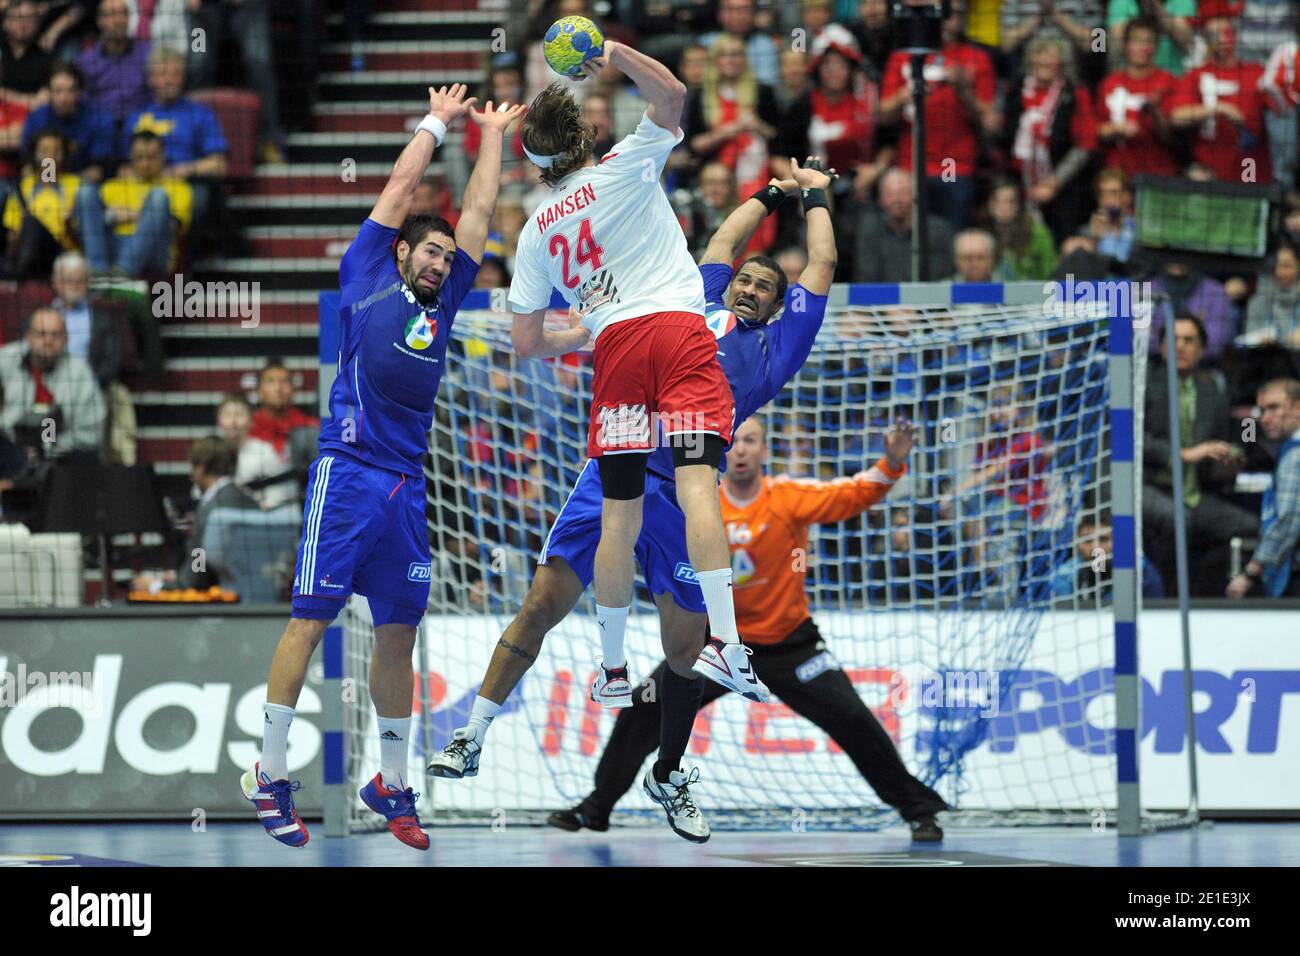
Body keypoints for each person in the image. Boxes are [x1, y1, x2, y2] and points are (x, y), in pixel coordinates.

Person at [429, 155, 839, 843]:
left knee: (684, 652)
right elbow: (718, 243)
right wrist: (771, 192)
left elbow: (821, 264)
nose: (750, 289)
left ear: (776, 303)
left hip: (685, 494)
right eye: (746, 279)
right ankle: (470, 735)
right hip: (613, 473)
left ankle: (670, 773)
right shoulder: (698, 297)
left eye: (766, 287)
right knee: (541, 605)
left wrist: (819, 196)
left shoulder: (780, 343)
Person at [242, 83, 523, 851]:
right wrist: (438, 122)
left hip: (407, 489)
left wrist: (491, 133)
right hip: (348, 474)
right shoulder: (366, 275)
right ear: (401, 251)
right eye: (427, 251)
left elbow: (479, 214)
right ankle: (268, 773)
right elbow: (402, 189)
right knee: (311, 618)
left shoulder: (447, 302)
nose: (439, 259)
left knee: (399, 633)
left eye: (444, 255)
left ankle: (391, 783)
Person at [546, 415, 951, 842]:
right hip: (715, 647)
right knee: (645, 707)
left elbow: (850, 495)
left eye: (751, 441)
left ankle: (919, 811)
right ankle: (596, 807)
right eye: (734, 441)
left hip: (789, 644)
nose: (740, 450)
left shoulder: (789, 496)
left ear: (763, 449)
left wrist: (890, 463)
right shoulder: (695, 500)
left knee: (853, 719)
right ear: (720, 445)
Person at [508, 48, 764, 724]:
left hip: (616, 350)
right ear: (586, 137)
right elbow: (675, 91)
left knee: (618, 515)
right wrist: (608, 53)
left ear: (533, 166)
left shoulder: (536, 231)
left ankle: (614, 668)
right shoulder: (625, 165)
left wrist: (583, 332)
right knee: (694, 488)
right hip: (679, 336)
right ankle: (727, 645)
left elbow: (527, 343)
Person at [1143, 315, 1256, 595]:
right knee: (1177, 519)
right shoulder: (1142, 384)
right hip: (1150, 485)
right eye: (1174, 340)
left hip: (1196, 494)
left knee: (1250, 526)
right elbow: (1132, 439)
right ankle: (1165, 600)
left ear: (1201, 350)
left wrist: (1230, 464)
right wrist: (1182, 454)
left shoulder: (1214, 393)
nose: (1181, 346)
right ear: (1162, 346)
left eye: (1189, 340)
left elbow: (1240, 434)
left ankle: (1212, 593)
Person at [879, 0, 996, 232]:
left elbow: (989, 122)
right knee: (911, 238)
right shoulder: (905, 56)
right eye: (942, 14)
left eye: (954, 14)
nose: (947, 21)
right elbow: (882, 115)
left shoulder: (976, 58)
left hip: (954, 166)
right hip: (912, 165)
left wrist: (964, 90)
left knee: (954, 237)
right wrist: (907, 93)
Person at [130, 436, 259, 594]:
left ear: (201, 468)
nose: (191, 475)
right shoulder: (250, 500)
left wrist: (155, 586)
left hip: (219, 601)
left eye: (192, 466)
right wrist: (182, 574)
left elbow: (197, 575)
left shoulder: (208, 510)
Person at [1167, 8, 1272, 184]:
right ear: (1206, 40)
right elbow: (1176, 117)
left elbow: (1281, 110)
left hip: (1250, 171)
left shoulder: (1256, 72)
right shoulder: (1195, 75)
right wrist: (1220, 108)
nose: (1222, 40)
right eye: (1213, 35)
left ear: (1236, 35)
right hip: (1208, 174)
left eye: (1227, 33)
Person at [76, 129, 190, 278]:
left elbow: (171, 226)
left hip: (154, 253)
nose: (145, 163)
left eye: (152, 157)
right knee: (86, 191)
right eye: (139, 157)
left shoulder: (179, 187)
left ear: (163, 156)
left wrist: (119, 215)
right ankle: (98, 270)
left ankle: (124, 272)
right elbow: (91, 223)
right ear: (131, 157)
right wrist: (146, 215)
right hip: (113, 246)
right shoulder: (113, 185)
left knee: (158, 197)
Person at [0, 306, 104, 461]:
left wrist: (50, 447)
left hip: (61, 457)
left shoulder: (79, 372)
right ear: (28, 337)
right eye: (41, 334)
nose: (48, 341)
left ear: (66, 339)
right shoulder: (5, 360)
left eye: (55, 335)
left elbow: (93, 432)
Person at [1227, 378, 1300, 598]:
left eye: (1274, 408)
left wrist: (1250, 572)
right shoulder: (1284, 448)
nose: (1265, 418)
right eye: (1261, 410)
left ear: (1298, 408)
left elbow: (1287, 520)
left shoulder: (1296, 455)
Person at [1095, 16, 1179, 178]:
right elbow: (1096, 131)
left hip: (1157, 175)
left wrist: (1154, 112)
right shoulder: (1110, 83)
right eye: (1136, 41)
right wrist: (1116, 129)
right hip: (1117, 176)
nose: (1142, 47)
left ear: (1155, 47)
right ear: (1126, 45)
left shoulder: (1167, 81)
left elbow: (1171, 138)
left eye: (1148, 42)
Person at [853, 166, 953, 282]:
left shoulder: (938, 230)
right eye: (890, 194)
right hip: (882, 298)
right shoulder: (869, 229)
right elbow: (866, 275)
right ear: (880, 198)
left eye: (903, 193)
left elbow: (940, 275)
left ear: (915, 196)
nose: (897, 200)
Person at [21, 61, 117, 181]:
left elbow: (98, 169)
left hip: (83, 185)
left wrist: (67, 186)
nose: (64, 98)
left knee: (86, 192)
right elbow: (28, 165)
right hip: (45, 181)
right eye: (58, 91)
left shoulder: (100, 119)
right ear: (49, 92)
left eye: (70, 91)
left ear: (80, 92)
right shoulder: (37, 118)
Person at [78, 0, 151, 126]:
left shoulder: (148, 54)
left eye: (123, 14)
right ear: (100, 21)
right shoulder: (86, 61)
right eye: (111, 15)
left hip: (141, 125)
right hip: (101, 126)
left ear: (129, 19)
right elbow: (84, 102)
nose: (118, 21)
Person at [216, 393, 295, 511]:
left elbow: (278, 495)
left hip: (258, 519)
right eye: (227, 415)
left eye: (239, 415)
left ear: (251, 420)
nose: (233, 421)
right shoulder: (211, 452)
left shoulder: (266, 451)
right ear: (219, 420)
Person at [247, 358, 318, 463]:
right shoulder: (247, 428)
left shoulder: (310, 426)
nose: (278, 388)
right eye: (270, 381)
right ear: (258, 390)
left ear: (293, 389)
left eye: (285, 381)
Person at [985, 178, 1056, 280]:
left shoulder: (1038, 233)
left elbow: (1050, 273)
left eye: (1010, 202)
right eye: (998, 201)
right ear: (989, 204)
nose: (1004, 207)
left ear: (1019, 205)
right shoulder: (981, 235)